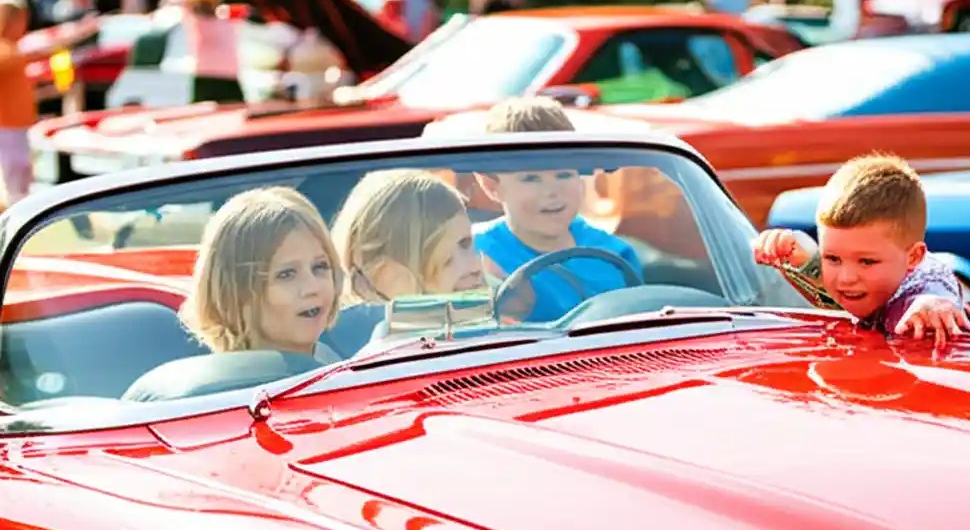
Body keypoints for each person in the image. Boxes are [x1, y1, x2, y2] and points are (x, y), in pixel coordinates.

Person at [751, 154, 970, 348]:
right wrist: (799, 255)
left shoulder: (927, 285)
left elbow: (930, 292)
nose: (846, 278)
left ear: (913, 257)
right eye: (832, 258)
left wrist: (931, 303)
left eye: (867, 262)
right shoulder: (871, 275)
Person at [472, 96, 642, 323]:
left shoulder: (616, 255)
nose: (552, 191)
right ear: (492, 186)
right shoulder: (473, 255)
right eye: (531, 178)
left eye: (564, 174)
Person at [179, 186, 343, 363]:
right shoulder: (222, 388)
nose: (313, 287)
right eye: (286, 274)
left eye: (320, 267)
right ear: (236, 292)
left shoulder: (341, 363)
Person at [332, 169, 484, 305]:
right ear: (388, 278)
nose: (476, 266)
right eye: (447, 261)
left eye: (466, 244)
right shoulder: (375, 334)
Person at [0, 0, 91, 208]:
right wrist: (69, 38)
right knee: (13, 190)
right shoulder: (7, 50)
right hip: (6, 131)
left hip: (17, 128)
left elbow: (21, 84)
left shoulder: (13, 50)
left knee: (20, 185)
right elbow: (25, 56)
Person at [179, 0, 243, 104]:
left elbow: (183, 5)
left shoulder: (195, 22)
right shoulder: (227, 21)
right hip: (227, 75)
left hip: (206, 74)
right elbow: (244, 10)